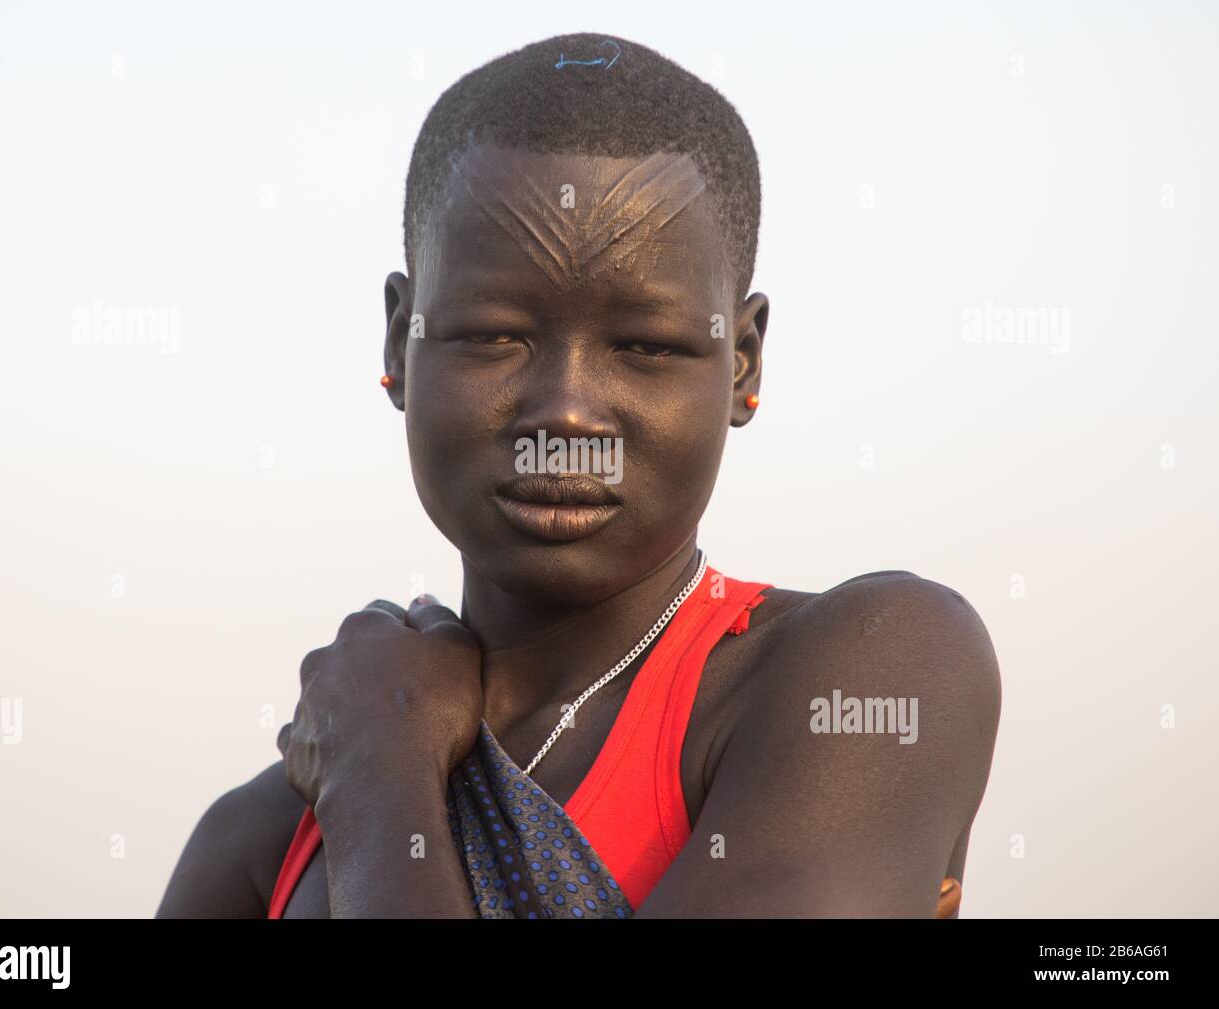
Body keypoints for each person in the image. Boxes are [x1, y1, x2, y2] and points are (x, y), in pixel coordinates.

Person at [156, 31, 1000, 919]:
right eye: (493, 334)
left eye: (645, 346)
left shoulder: (871, 672)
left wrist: (381, 785)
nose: (565, 412)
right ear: (399, 341)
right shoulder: (260, 845)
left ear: (743, 362)